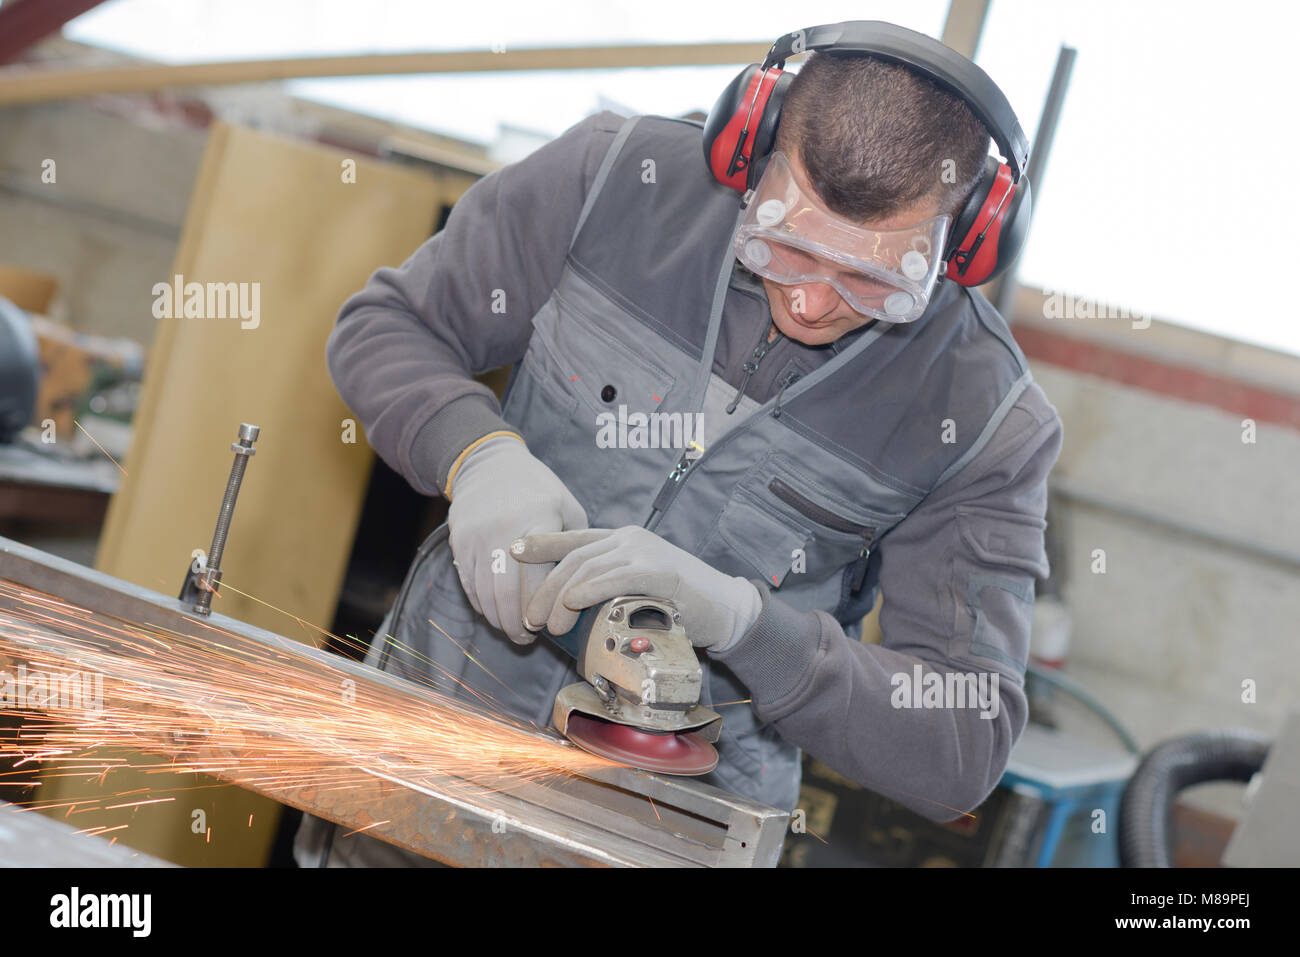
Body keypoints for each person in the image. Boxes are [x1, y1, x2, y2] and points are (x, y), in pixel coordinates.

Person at [295, 20, 1063, 867]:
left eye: (874, 280)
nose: (811, 303)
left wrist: (745, 625)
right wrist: (477, 455)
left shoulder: (983, 414)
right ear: (751, 146)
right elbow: (390, 325)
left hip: (671, 838)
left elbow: (962, 744)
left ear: (969, 237)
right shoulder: (611, 182)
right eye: (790, 245)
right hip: (421, 764)